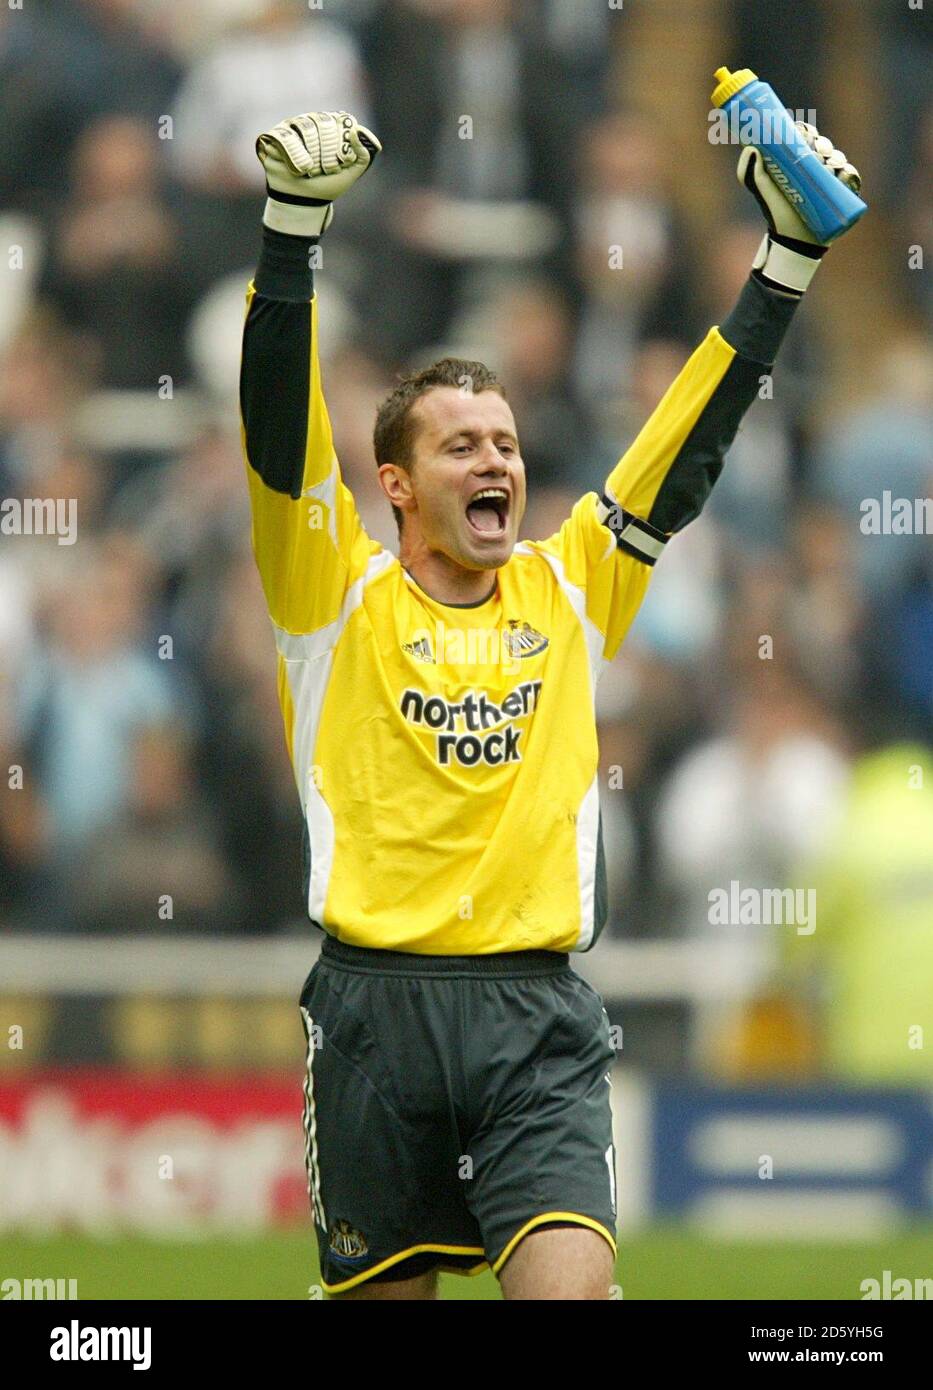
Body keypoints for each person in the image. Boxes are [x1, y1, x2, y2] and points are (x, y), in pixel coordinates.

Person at [239, 109, 862, 1300]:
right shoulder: (329, 592)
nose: (496, 464)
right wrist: (292, 234)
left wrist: (783, 267)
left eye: (508, 443)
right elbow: (279, 435)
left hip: (537, 1017)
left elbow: (686, 443)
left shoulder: (571, 581)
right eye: (462, 445)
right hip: (374, 1014)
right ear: (396, 486)